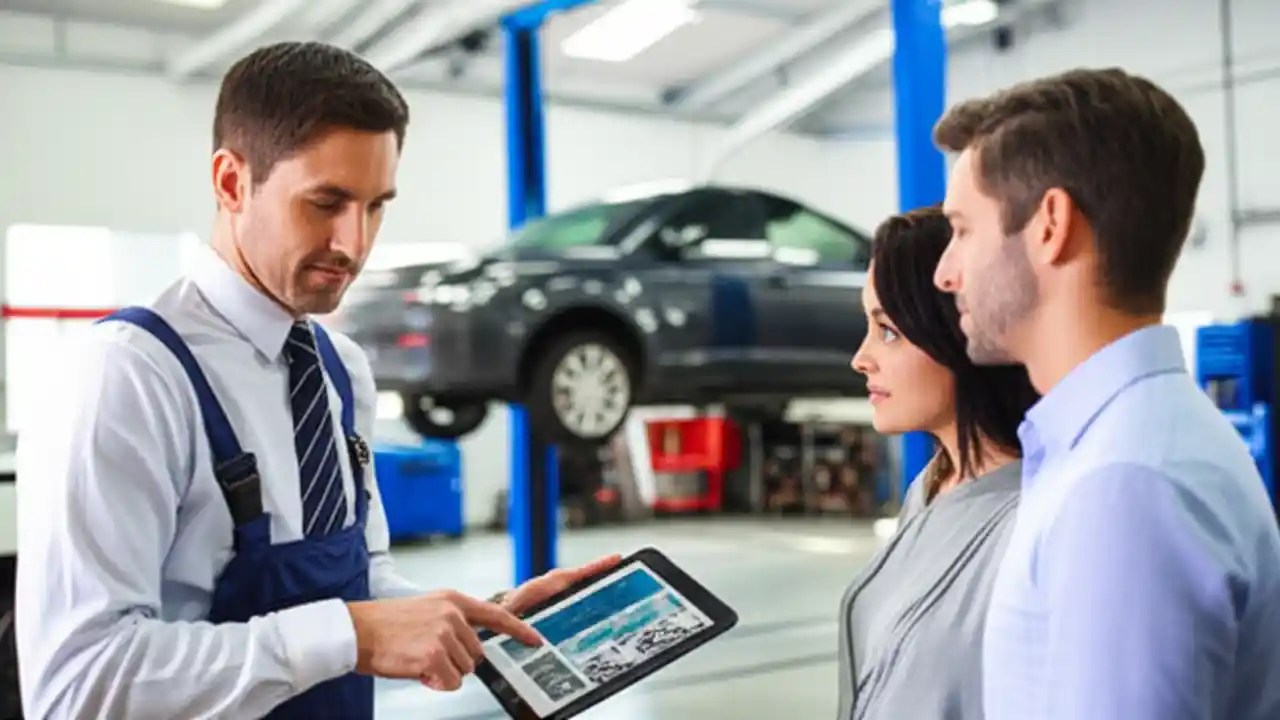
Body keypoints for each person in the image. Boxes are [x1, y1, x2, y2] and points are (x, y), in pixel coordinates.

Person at [13, 41, 618, 720]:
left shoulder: (339, 370)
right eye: (325, 203)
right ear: (232, 182)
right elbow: (75, 686)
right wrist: (348, 635)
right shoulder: (132, 375)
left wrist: (473, 623)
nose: (354, 244)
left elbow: (360, 583)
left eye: (376, 206)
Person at [932, 66, 1280, 719]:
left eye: (963, 229)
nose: (945, 272)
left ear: (1049, 225)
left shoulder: (1122, 487)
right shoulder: (1126, 445)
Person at [838, 206, 1039, 719]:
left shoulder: (1035, 517)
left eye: (889, 332)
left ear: (957, 330)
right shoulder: (932, 486)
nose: (861, 358)